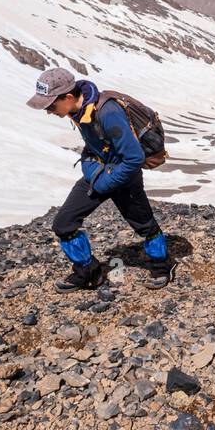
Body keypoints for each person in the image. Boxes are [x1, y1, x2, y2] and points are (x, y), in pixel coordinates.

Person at [26, 67, 174, 290]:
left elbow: (134, 158)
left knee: (145, 225)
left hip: (123, 177)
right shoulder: (80, 111)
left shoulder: (108, 112)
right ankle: (89, 273)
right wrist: (89, 165)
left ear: (67, 97)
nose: (49, 111)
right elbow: (95, 144)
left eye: (50, 105)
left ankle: (162, 266)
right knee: (63, 224)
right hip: (99, 172)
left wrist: (103, 183)